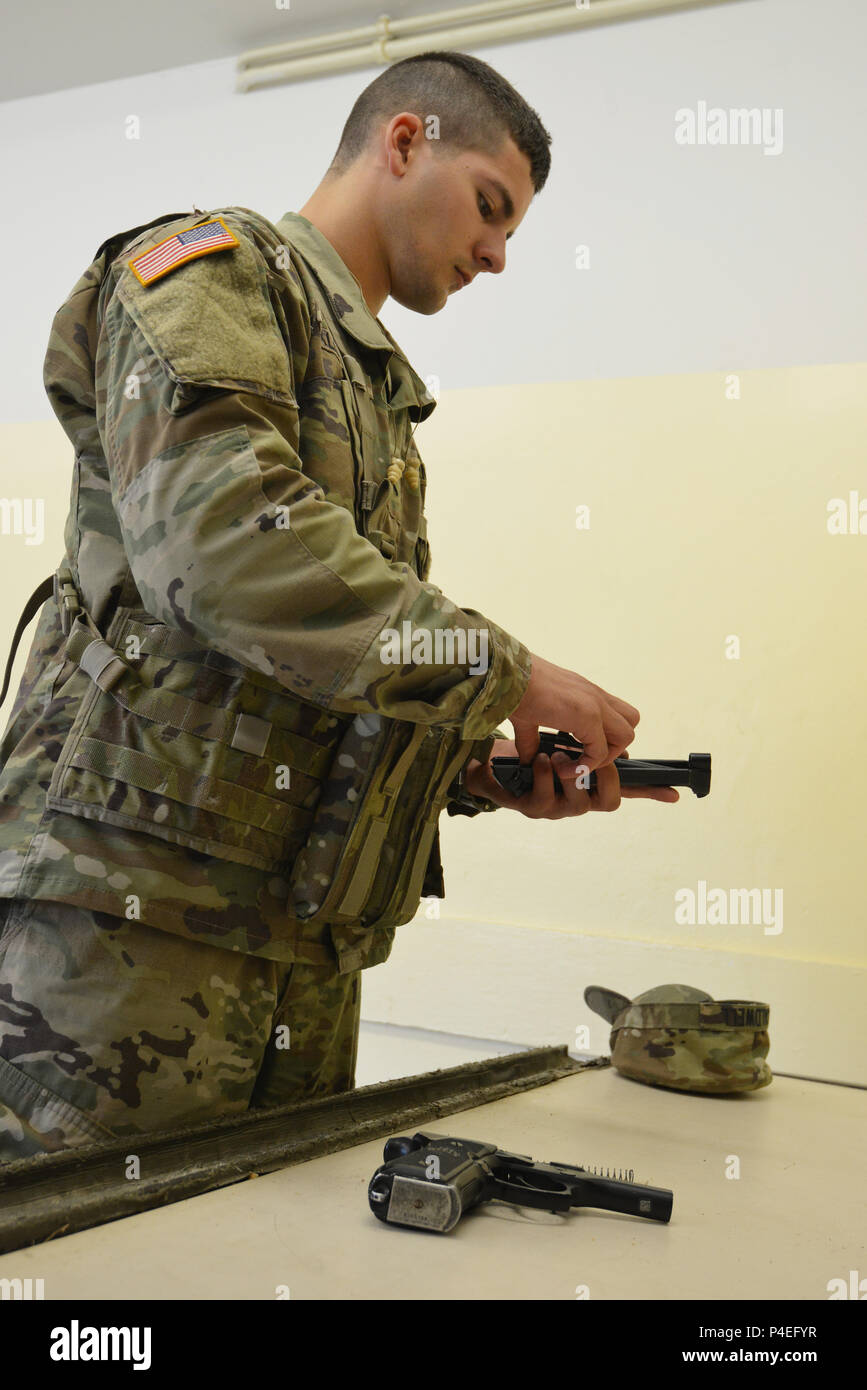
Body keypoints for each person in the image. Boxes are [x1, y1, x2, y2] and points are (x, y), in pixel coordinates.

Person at [0, 50, 677, 1162]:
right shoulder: (210, 276)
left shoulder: (378, 402)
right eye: (491, 207)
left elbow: (299, 683)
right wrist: (501, 675)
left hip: (297, 963)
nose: (499, 255)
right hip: (123, 953)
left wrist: (470, 768)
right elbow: (221, 548)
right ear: (404, 142)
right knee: (90, 1284)